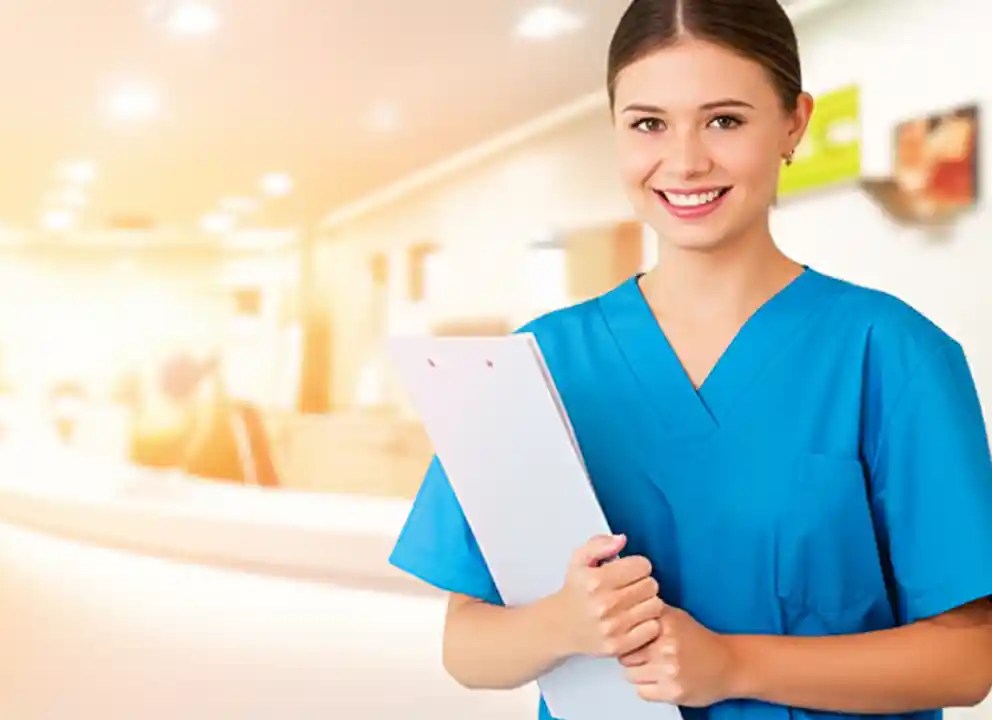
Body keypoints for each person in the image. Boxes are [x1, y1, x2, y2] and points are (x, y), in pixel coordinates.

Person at [387, 1, 992, 719]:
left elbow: (968, 660)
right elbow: (466, 646)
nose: (685, 161)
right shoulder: (535, 363)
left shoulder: (893, 355)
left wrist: (735, 665)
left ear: (794, 123)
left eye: (725, 120)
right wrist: (562, 625)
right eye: (649, 124)